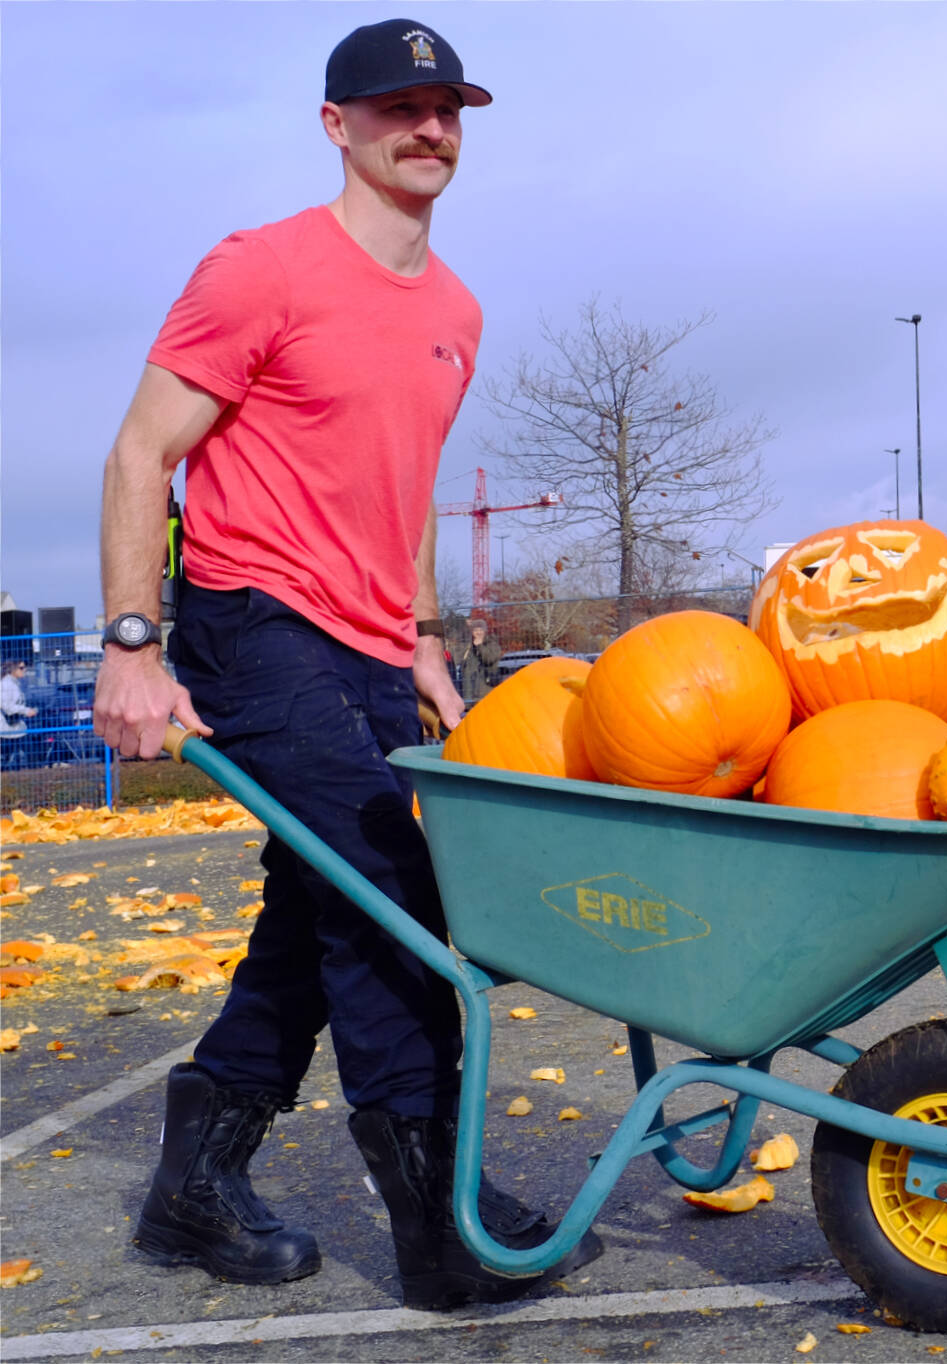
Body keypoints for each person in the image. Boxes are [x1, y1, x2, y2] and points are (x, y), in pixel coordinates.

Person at [92, 19, 597, 1310]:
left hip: (372, 646)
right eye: (397, 109)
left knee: (316, 918)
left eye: (447, 109)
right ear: (338, 127)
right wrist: (134, 646)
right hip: (253, 624)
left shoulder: (456, 311)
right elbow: (142, 452)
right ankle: (440, 1221)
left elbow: (404, 488)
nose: (428, 129)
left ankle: (191, 1190)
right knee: (390, 895)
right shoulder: (261, 269)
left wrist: (424, 638)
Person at [450, 614, 501, 704]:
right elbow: (458, 660)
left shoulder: (492, 643)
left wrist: (480, 646)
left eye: (481, 629)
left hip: (485, 691)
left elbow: (489, 659)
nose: (478, 632)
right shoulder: (468, 646)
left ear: (485, 631)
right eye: (475, 630)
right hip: (468, 692)